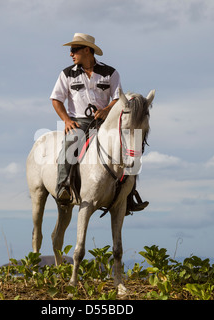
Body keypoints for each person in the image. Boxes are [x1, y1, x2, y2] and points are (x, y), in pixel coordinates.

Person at [50, 33, 148, 213]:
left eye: (74, 50)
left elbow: (119, 98)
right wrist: (66, 120)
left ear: (87, 50)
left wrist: (106, 110)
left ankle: (129, 195)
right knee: (70, 145)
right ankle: (63, 187)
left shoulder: (111, 72)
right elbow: (56, 99)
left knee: (128, 148)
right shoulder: (67, 74)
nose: (71, 54)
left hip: (105, 122)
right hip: (78, 121)